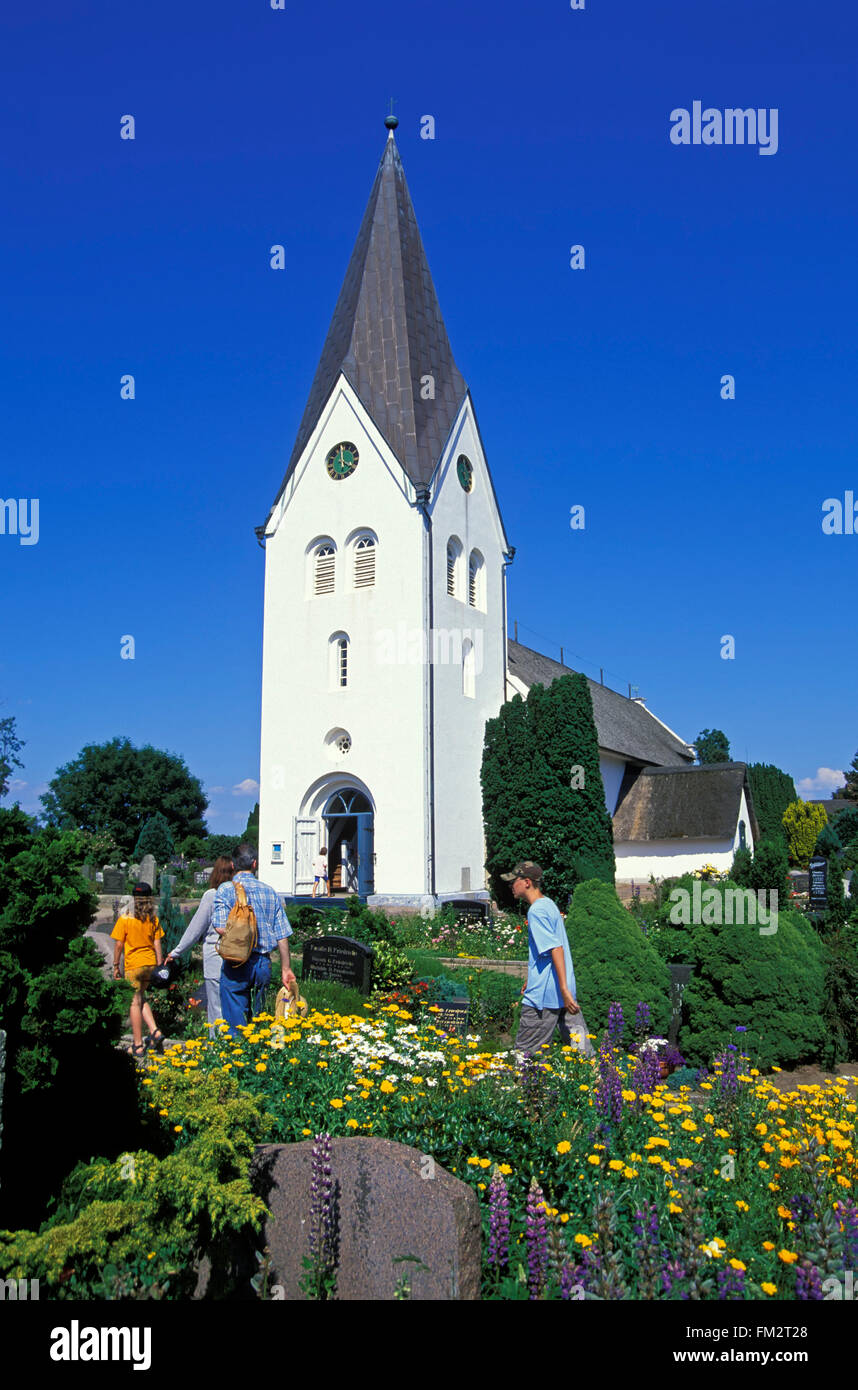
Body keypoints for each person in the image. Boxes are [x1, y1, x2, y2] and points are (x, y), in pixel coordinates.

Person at [502, 860, 594, 1058]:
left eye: (514, 881)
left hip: (544, 998)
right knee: (582, 1054)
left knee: (526, 1058)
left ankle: (526, 1088)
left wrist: (562, 989)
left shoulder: (536, 911)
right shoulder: (549, 904)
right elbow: (546, 953)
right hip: (562, 994)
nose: (511, 886)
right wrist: (537, 980)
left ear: (527, 882)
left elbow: (556, 949)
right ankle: (604, 1086)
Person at [211, 842, 297, 1035]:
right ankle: (258, 1058)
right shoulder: (270, 892)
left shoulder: (226, 889)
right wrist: (286, 969)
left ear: (233, 865)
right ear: (255, 864)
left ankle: (237, 1059)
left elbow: (219, 926)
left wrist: (241, 936)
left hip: (236, 962)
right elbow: (282, 935)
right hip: (262, 963)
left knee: (236, 1026)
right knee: (261, 1020)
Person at [164, 856, 234, 1029]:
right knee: (233, 1009)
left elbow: (195, 929)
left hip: (216, 954)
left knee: (216, 1009)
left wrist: (176, 952)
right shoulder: (240, 894)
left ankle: (216, 1049)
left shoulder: (212, 895)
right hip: (238, 955)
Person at [111, 881, 166, 1064]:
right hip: (150, 963)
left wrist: (115, 965)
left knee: (134, 1003)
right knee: (141, 998)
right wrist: (159, 964)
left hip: (134, 965)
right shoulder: (152, 918)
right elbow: (157, 943)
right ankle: (155, 1031)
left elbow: (119, 944)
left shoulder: (126, 918)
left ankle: (137, 1045)